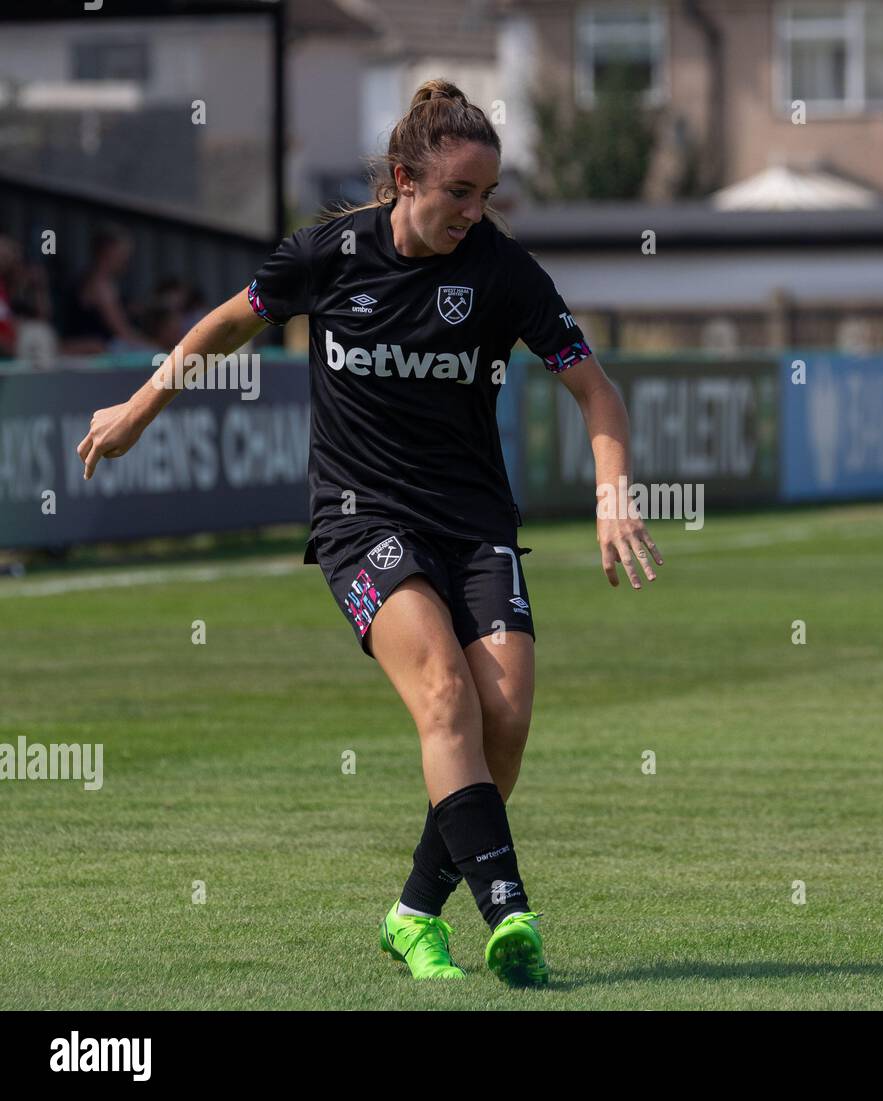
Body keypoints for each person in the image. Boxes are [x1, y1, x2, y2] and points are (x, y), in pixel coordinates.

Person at [76, 80, 662, 987]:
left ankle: (414, 912)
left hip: (473, 520)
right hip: (360, 518)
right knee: (443, 695)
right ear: (404, 179)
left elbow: (596, 389)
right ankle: (511, 914)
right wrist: (143, 406)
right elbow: (228, 322)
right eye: (459, 193)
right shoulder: (328, 253)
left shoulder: (504, 274)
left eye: (488, 195)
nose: (475, 212)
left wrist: (613, 488)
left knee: (502, 720)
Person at [61, 225, 152, 354]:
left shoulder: (91, 280)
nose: (126, 261)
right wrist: (159, 350)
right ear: (107, 251)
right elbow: (123, 333)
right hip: (90, 355)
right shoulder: (100, 286)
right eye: (123, 254)